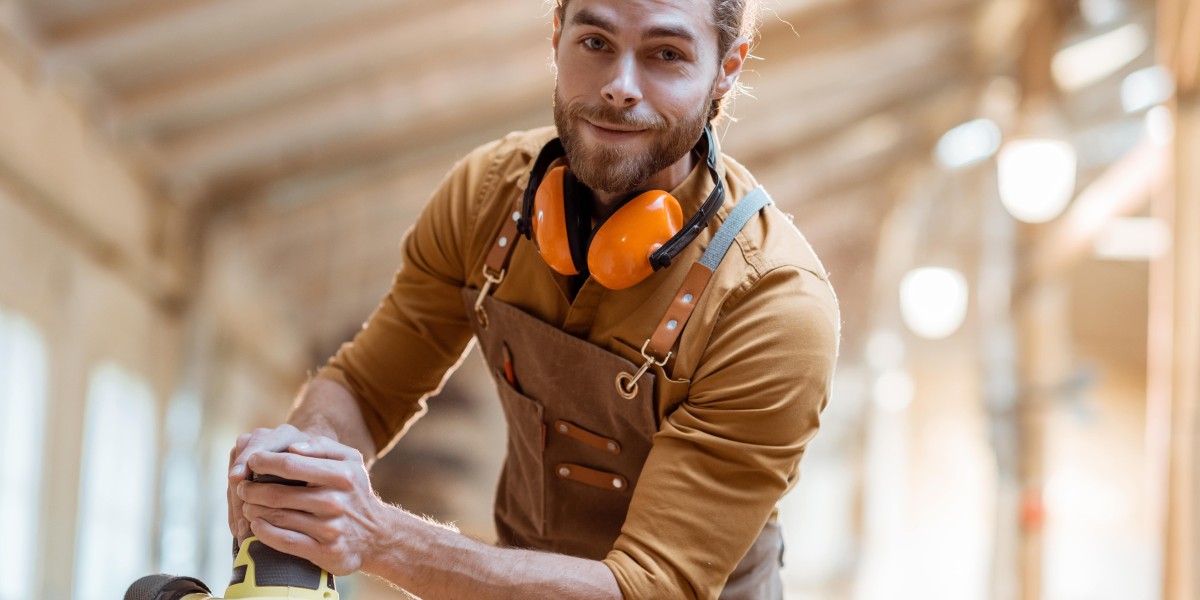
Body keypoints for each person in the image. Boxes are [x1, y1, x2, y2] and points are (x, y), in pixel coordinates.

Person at [226, 0, 840, 597]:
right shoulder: (486, 197)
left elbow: (648, 589)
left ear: (728, 66)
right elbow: (362, 390)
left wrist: (382, 538)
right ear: (557, 35)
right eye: (595, 43)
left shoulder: (773, 308)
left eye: (666, 53)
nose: (620, 86)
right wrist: (298, 470)